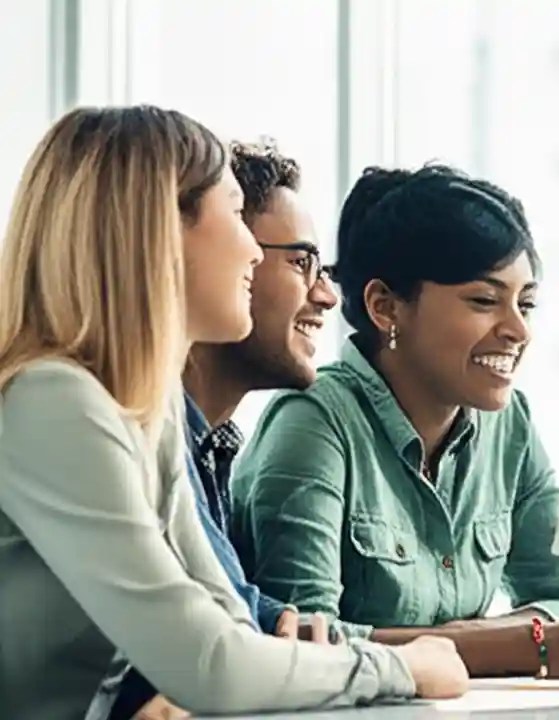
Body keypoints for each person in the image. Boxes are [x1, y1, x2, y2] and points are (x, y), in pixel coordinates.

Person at [0, 106, 467, 720]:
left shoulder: (149, 402)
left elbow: (232, 626)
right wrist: (404, 666)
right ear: (160, 229)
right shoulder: (52, 402)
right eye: (231, 211)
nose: (251, 248)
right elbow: (213, 666)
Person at [230, 163, 559, 678]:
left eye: (526, 303)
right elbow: (302, 640)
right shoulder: (313, 423)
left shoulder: (510, 426)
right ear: (385, 306)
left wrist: (481, 642)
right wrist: (530, 646)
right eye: (484, 301)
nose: (518, 330)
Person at [108, 139, 347, 720]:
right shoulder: (125, 430)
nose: (327, 294)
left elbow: (235, 614)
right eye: (301, 262)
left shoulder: (209, 448)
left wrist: (273, 624)